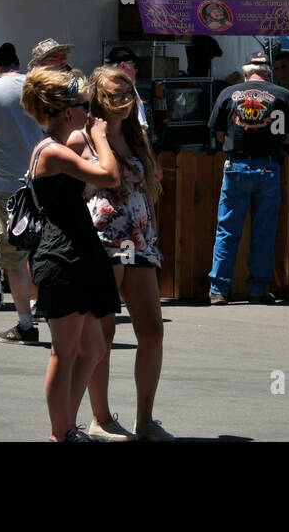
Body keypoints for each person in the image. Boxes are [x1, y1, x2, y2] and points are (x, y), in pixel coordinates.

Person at [20, 67, 122, 443]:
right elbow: (109, 176)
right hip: (60, 256)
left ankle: (67, 426)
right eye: (83, 107)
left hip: (78, 252)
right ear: (67, 113)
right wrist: (100, 136)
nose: (88, 112)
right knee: (63, 352)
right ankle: (58, 433)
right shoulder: (51, 153)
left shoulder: (59, 146)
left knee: (93, 346)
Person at [77, 67, 173, 442]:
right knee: (102, 332)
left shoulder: (138, 136)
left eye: (127, 94)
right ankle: (100, 418)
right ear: (97, 98)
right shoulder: (82, 137)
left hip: (139, 240)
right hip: (101, 240)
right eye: (114, 95)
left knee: (151, 329)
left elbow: (154, 178)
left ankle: (145, 419)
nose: (122, 101)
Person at [0, 42, 45, 344]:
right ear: (18, 62)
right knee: (42, 249)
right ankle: (45, 308)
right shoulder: (36, 88)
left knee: (14, 256)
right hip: (44, 180)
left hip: (8, 186)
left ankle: (26, 325)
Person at [206, 61, 289, 305]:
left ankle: (218, 290)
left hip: (235, 166)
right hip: (268, 167)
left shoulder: (228, 94)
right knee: (263, 232)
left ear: (246, 76)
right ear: (268, 76)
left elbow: (218, 133)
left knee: (227, 230)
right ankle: (257, 290)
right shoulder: (283, 95)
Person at [103, 45, 149, 131]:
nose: (136, 70)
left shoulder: (97, 87)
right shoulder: (129, 90)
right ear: (123, 66)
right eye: (135, 66)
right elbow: (140, 126)